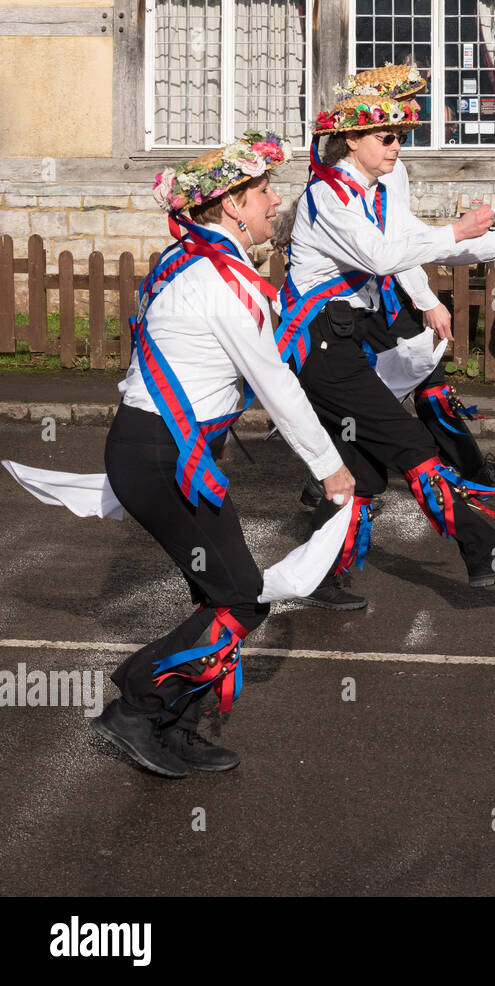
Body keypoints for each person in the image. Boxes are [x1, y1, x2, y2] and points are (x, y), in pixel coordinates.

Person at [92, 132, 355, 777]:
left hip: (162, 449)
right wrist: (330, 467)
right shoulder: (221, 281)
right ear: (233, 205)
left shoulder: (195, 263)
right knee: (240, 597)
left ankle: (173, 726)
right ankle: (139, 703)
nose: (274, 200)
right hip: (163, 453)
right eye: (264, 190)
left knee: (220, 595)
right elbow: (275, 384)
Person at [284, 68, 495, 602]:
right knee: (412, 447)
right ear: (352, 140)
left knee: (362, 472)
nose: (396, 147)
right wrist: (457, 231)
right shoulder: (328, 197)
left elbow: (428, 245)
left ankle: (317, 576)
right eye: (386, 137)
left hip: (343, 339)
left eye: (401, 136)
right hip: (319, 343)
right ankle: (486, 554)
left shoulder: (368, 195)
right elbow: (386, 257)